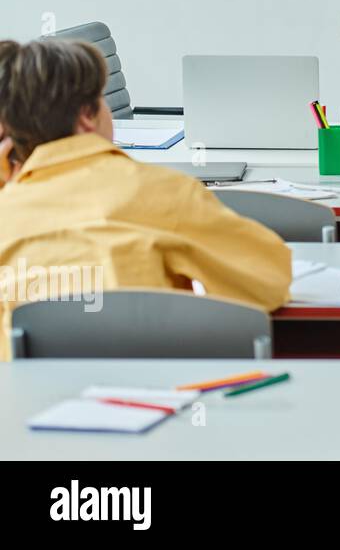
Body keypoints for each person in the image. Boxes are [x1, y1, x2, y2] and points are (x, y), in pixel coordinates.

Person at [0, 37, 292, 359]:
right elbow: (270, 280)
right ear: (87, 115)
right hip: (154, 392)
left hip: (24, 404)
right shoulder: (165, 192)